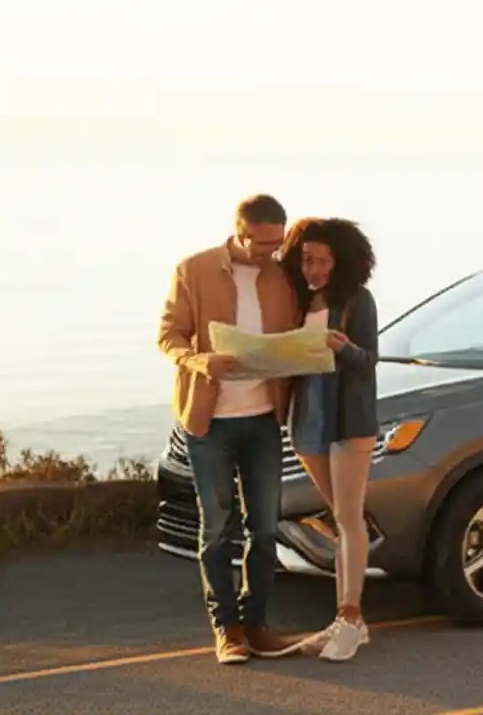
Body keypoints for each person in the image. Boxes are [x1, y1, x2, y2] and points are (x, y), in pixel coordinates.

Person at [156, 194, 302, 665]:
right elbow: (168, 336)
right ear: (240, 233)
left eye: (278, 243)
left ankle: (257, 623)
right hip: (210, 421)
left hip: (263, 420)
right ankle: (228, 629)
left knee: (265, 528)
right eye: (263, 244)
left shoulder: (282, 276)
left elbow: (299, 334)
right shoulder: (193, 271)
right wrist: (201, 360)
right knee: (216, 528)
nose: (272, 252)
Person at [279, 217, 379, 662]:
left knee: (349, 518)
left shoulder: (358, 301)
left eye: (323, 261)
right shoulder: (296, 300)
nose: (315, 269)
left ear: (340, 262)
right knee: (339, 518)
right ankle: (345, 622)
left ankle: (351, 616)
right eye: (307, 259)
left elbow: (369, 360)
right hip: (308, 424)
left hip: (349, 423)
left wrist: (343, 348)